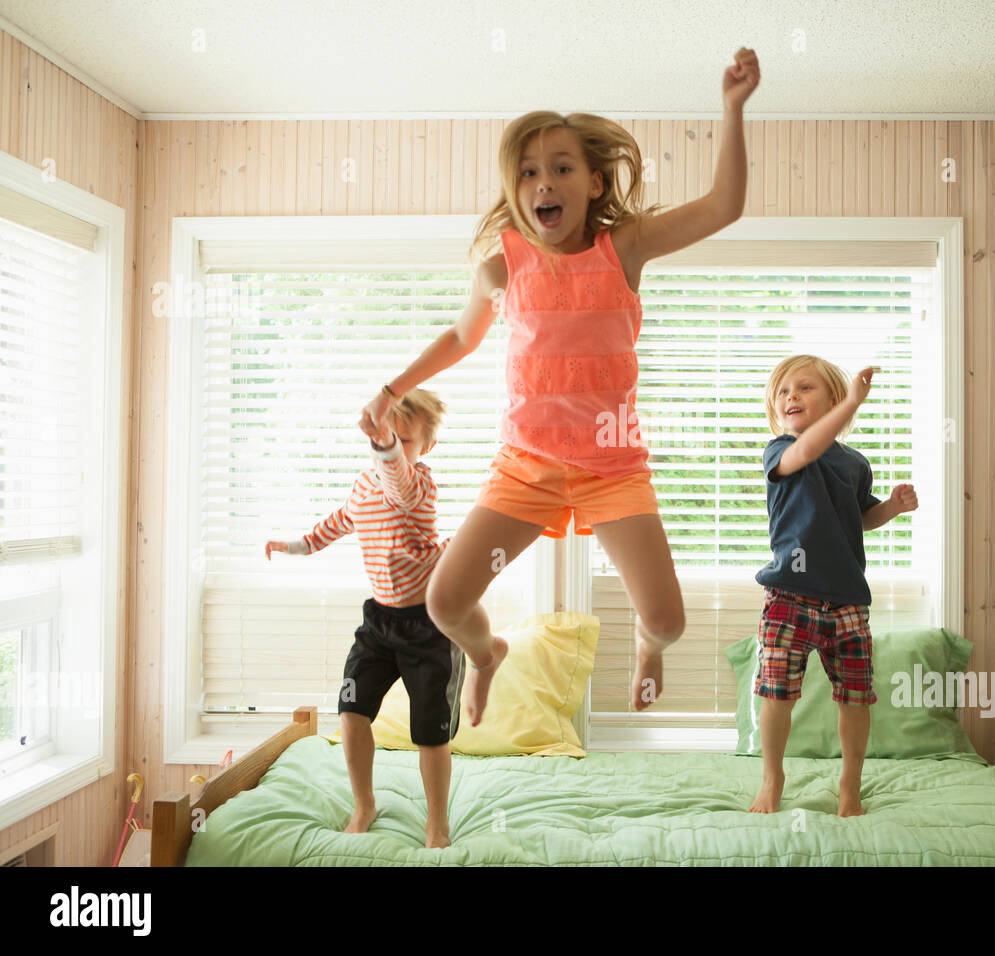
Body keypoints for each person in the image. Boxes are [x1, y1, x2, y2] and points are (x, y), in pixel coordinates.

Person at [358, 48, 763, 728]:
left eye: (562, 168)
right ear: (517, 192)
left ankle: (645, 647)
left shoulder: (623, 250)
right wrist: (391, 389)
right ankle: (487, 656)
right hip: (527, 468)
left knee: (667, 619)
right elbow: (462, 338)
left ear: (595, 184)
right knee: (446, 604)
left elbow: (724, 205)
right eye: (529, 172)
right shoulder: (501, 270)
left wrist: (731, 109)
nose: (544, 183)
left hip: (612, 468)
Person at [265, 390, 463, 849]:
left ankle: (437, 823)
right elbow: (335, 523)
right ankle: (364, 803)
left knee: (429, 732)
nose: (394, 446)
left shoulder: (418, 485)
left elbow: (397, 478)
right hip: (379, 624)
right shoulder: (362, 486)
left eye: (405, 440)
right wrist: (292, 546)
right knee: (351, 710)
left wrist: (386, 443)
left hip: (428, 626)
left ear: (423, 448)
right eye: (387, 436)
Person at [748, 356, 918, 817]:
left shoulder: (855, 463)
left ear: (833, 399)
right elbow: (806, 453)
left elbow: (859, 519)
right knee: (776, 692)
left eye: (805, 389)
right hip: (789, 597)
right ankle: (772, 778)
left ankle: (850, 785)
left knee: (856, 698)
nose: (791, 398)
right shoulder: (780, 450)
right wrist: (853, 404)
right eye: (783, 392)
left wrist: (892, 510)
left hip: (845, 602)